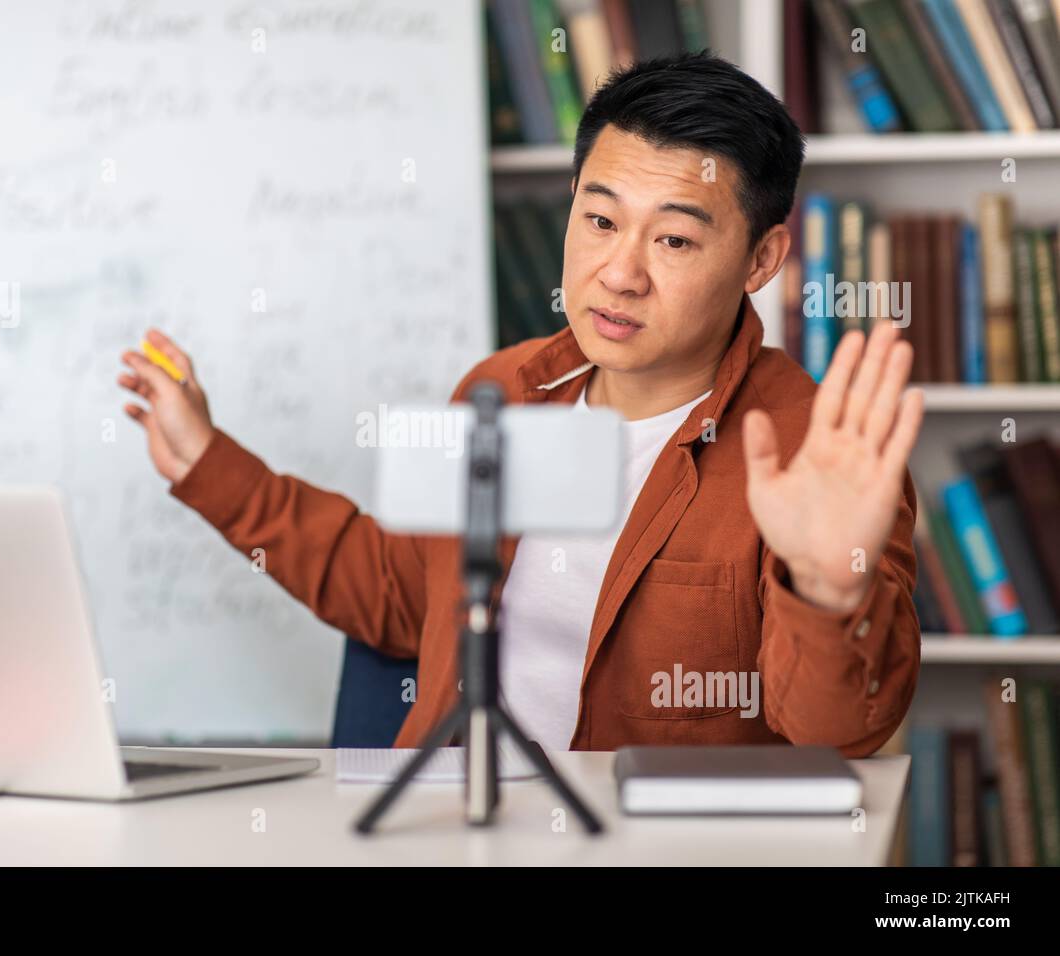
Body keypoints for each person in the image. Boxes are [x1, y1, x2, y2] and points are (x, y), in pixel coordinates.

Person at [117, 53, 923, 757]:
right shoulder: (502, 392)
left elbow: (836, 732)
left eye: (673, 240)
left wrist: (829, 590)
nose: (619, 272)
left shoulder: (818, 453)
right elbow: (406, 598)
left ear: (762, 258)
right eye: (600, 220)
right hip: (465, 824)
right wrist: (202, 460)